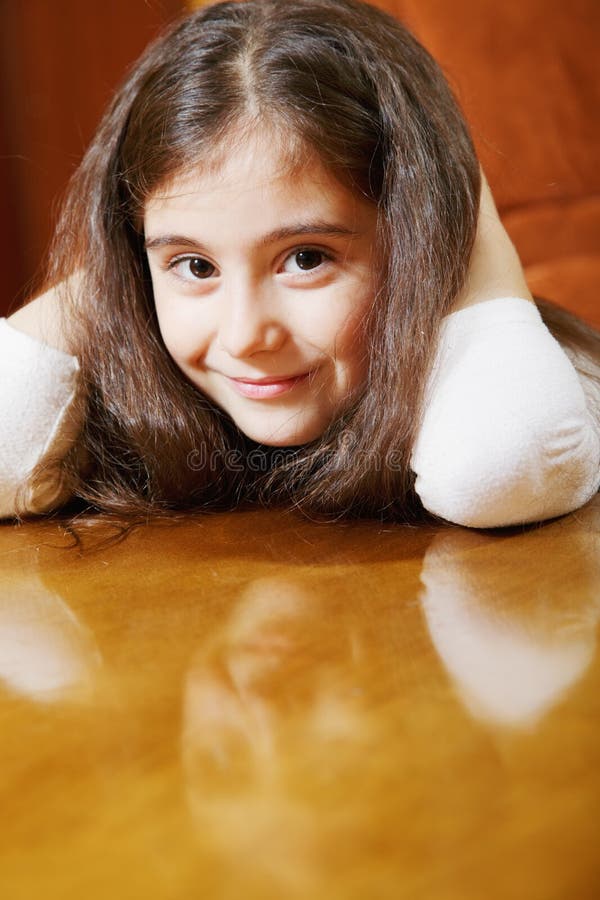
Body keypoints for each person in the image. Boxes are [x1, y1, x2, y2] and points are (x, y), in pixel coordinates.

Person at [1, 0, 599, 529]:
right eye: (194, 266)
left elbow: (505, 465)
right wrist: (109, 278)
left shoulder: (526, 380)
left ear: (420, 236)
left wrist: (466, 216)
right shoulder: (114, 401)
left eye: (306, 259)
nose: (246, 337)